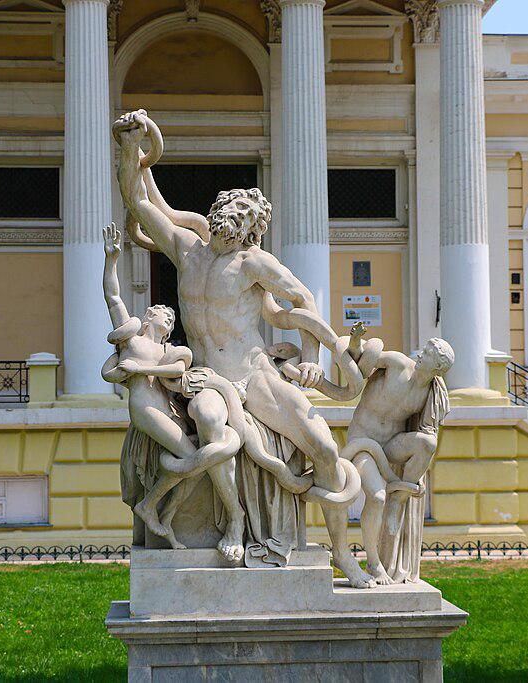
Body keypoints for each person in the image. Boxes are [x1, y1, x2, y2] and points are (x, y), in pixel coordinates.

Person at [114, 109, 375, 588]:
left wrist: (312, 363)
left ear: (254, 228)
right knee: (212, 422)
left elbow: (303, 303)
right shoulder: (185, 251)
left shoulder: (255, 262)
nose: (231, 216)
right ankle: (233, 521)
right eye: (228, 208)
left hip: (255, 374)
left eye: (244, 215)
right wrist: (132, 146)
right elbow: (136, 200)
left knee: (322, 446)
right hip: (206, 378)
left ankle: (345, 554)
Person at [100, 224, 246, 561]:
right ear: (148, 315)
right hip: (144, 408)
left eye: (171, 319)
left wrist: (142, 370)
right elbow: (113, 297)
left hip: (165, 408)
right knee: (191, 457)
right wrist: (111, 260)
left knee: (196, 455)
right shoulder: (132, 341)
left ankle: (156, 509)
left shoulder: (169, 352)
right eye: (164, 315)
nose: (168, 319)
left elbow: (177, 372)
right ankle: (151, 507)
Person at [344, 335, 454, 584]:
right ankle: (374, 563)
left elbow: (427, 430)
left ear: (436, 367)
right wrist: (356, 341)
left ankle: (400, 496)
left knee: (427, 442)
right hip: (362, 442)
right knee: (376, 496)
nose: (420, 354)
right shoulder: (396, 363)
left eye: (427, 353)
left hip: (391, 446)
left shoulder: (429, 393)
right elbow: (360, 360)